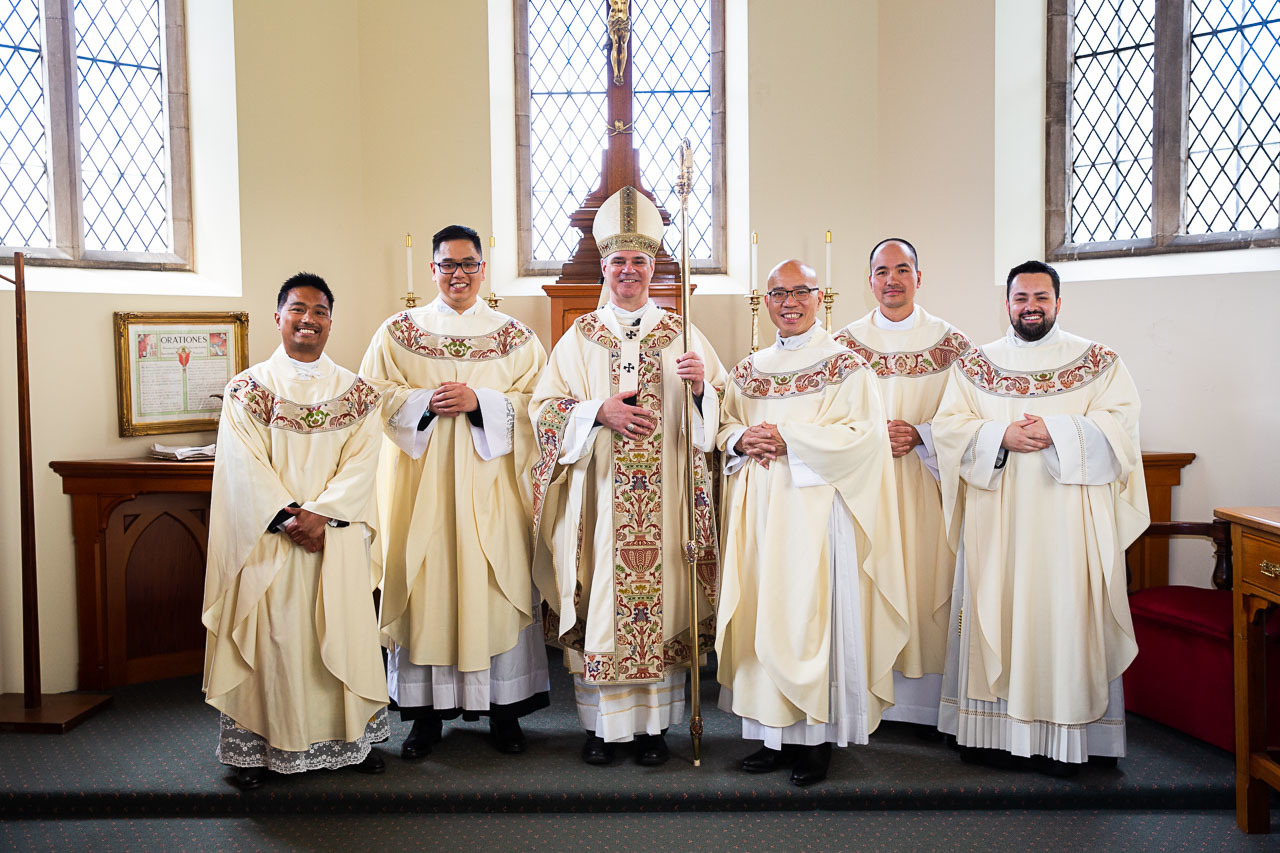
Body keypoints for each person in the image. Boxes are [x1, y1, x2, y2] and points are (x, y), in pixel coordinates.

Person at [529, 186, 727, 767]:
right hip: (600, 501)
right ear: (606, 268)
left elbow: (716, 424)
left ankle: (653, 730)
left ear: (653, 267)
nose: (629, 271)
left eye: (640, 261)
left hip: (666, 505)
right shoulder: (581, 336)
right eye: (618, 261)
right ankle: (599, 728)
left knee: (662, 607)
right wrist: (597, 412)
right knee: (605, 604)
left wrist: (698, 390)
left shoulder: (684, 334)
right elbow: (543, 412)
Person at [932, 260, 1149, 776]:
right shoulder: (977, 363)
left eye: (1041, 298)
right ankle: (991, 735)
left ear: (1058, 302)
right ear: (1006, 303)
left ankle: (1067, 739)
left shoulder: (1098, 361)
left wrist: (1057, 431)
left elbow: (1121, 425)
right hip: (997, 519)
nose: (1031, 307)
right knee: (997, 608)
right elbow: (949, 426)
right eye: (1021, 298)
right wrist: (999, 436)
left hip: (1067, 524)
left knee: (1063, 614)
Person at [715, 259, 909, 786]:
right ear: (767, 302)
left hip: (817, 515)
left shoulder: (847, 367)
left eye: (800, 292)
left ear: (819, 298)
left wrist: (790, 440)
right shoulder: (749, 369)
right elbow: (726, 425)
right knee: (760, 614)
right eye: (779, 294)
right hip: (758, 510)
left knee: (808, 618)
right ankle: (768, 735)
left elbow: (864, 439)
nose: (790, 303)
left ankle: (815, 740)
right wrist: (739, 440)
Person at [359, 225, 549, 759]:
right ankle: (424, 717)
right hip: (423, 495)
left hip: (495, 493)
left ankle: (503, 712)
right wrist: (424, 401)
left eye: (468, 264)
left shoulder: (514, 336)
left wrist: (482, 403)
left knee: (495, 585)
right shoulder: (398, 332)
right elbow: (370, 395)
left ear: (483, 269)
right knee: (427, 589)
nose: (458, 274)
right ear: (433, 270)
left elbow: (541, 402)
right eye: (447, 265)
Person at [202, 273, 388, 791]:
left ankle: (351, 741)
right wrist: (291, 518)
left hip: (336, 537)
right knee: (274, 640)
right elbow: (242, 466)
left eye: (321, 311)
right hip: (270, 539)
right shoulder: (247, 388)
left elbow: (364, 463)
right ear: (278, 316)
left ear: (332, 320)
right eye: (299, 309)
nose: (309, 320)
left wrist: (323, 515)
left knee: (342, 634)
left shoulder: (359, 393)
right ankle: (261, 746)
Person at [832, 239, 972, 730]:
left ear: (919, 277)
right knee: (871, 578)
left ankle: (927, 707)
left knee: (924, 579)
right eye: (881, 271)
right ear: (869, 280)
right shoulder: (842, 345)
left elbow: (972, 416)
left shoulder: (952, 345)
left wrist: (923, 435)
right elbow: (824, 416)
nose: (891, 279)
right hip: (865, 490)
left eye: (902, 269)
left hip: (926, 485)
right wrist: (872, 436)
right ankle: (866, 695)